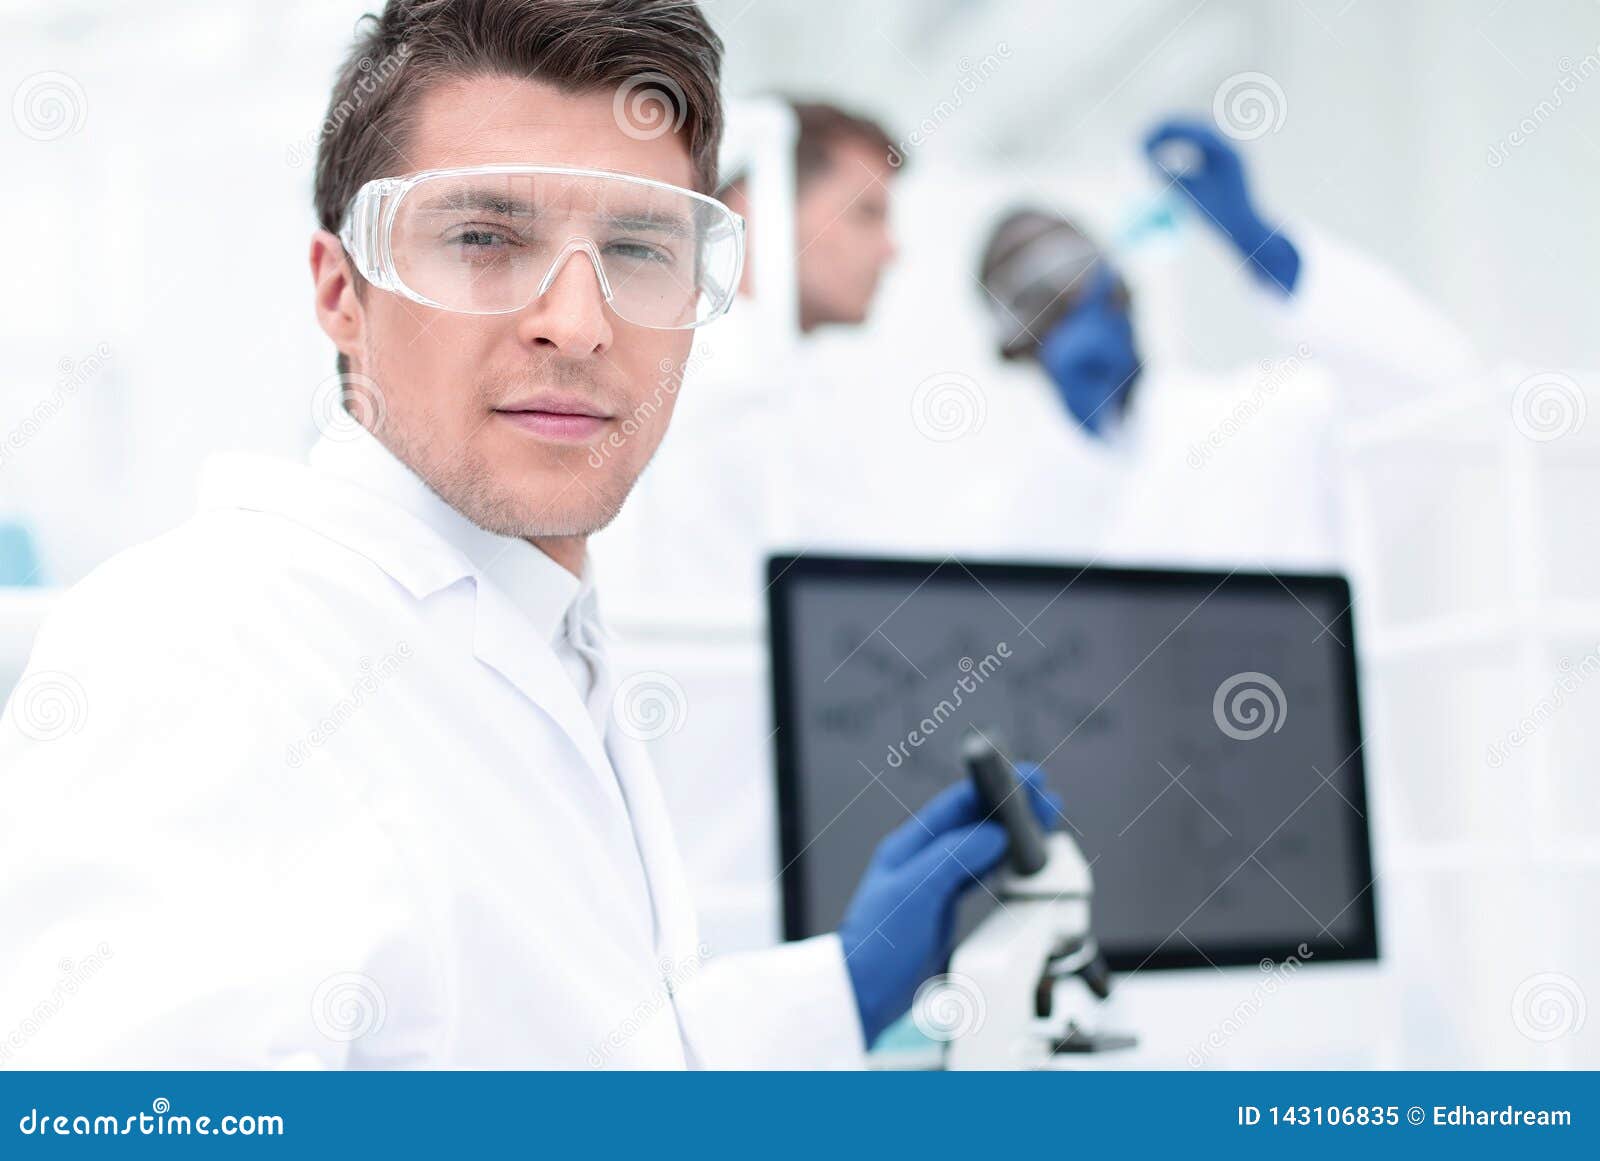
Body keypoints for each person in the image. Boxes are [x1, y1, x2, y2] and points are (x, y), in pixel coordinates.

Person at [0, 0, 1056, 1068]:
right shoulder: (204, 655)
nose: (580, 321)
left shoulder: (529, 616)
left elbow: (577, 1053)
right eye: (484, 239)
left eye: (641, 247)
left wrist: (843, 983)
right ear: (340, 292)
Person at [979, 117, 1481, 570]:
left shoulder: (1265, 419)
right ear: (1019, 348)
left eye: (1081, 283)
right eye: (1044, 305)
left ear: (1121, 288)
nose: (1074, 311)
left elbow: (1447, 399)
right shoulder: (1013, 512)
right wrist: (1087, 451)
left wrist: (1268, 250)